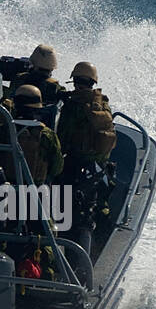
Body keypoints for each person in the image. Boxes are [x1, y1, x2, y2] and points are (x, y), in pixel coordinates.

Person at [57, 62, 117, 255]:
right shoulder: (102, 103)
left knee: (66, 210)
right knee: (96, 208)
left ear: (74, 80)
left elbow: (62, 137)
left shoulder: (73, 105)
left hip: (75, 166)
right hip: (99, 168)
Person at [8, 85, 63, 187]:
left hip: (1, 189)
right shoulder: (47, 135)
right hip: (34, 192)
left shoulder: (2, 130)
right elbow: (57, 168)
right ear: (37, 109)